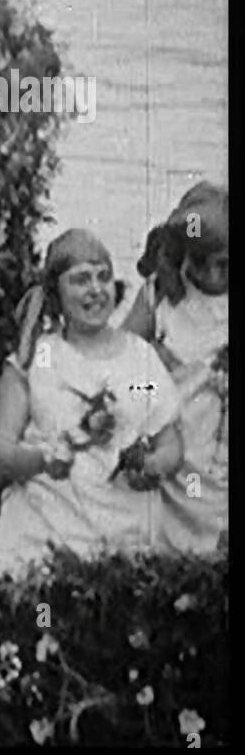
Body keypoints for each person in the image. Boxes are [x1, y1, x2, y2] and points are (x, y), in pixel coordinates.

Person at [0, 229, 183, 577]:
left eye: (103, 276)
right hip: (42, 539)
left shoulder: (140, 358)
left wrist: (150, 466)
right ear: (56, 293)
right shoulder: (35, 360)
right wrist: (41, 460)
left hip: (124, 543)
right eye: (81, 280)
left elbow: (171, 444)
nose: (95, 290)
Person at [122, 182, 228, 555]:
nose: (214, 276)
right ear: (183, 253)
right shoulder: (162, 295)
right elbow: (122, 355)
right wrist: (151, 357)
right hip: (168, 438)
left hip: (215, 447)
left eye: (224, 265)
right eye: (201, 263)